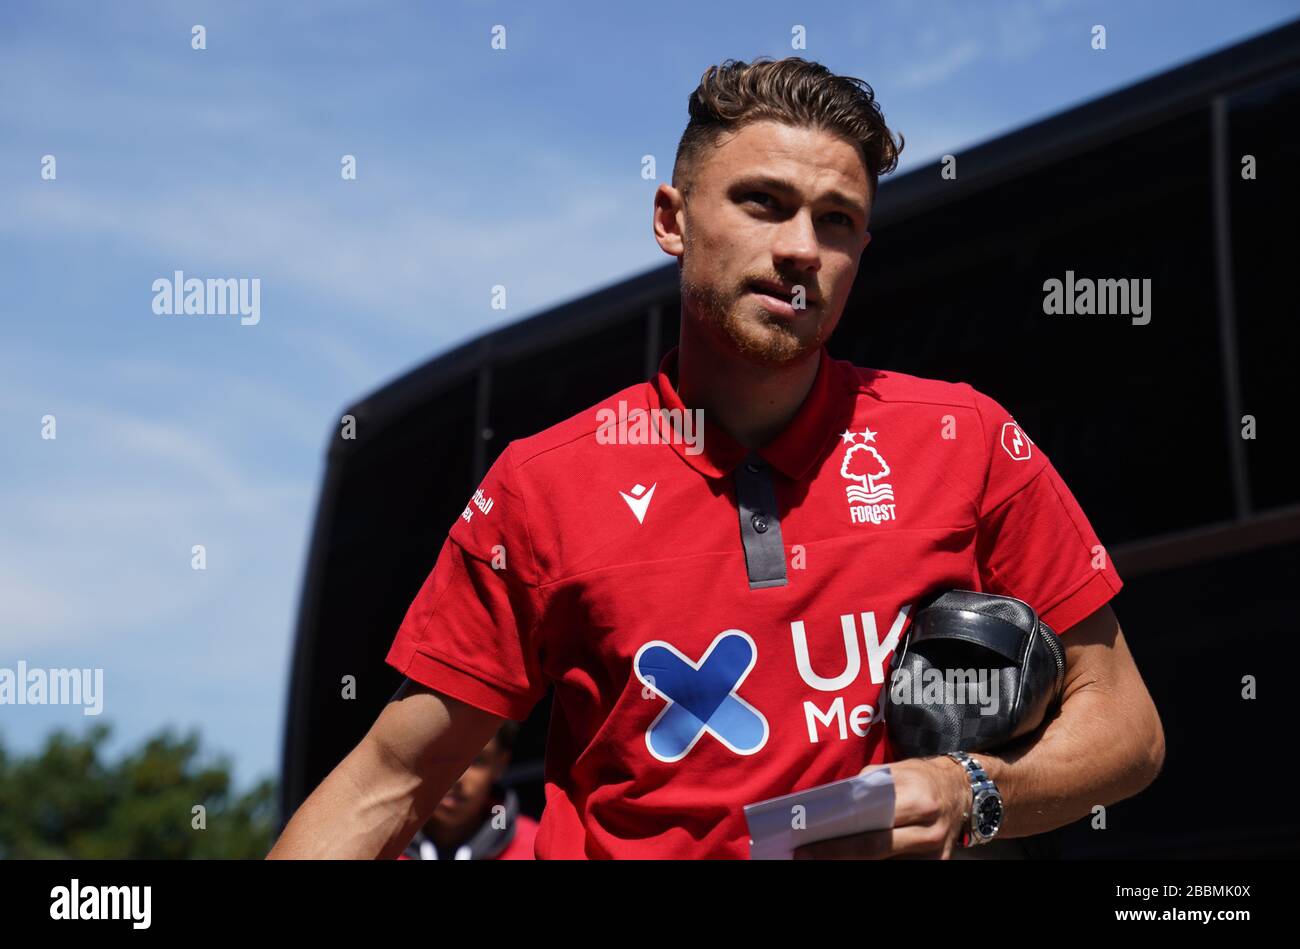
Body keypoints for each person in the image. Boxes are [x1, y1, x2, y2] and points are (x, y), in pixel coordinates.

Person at [269, 55, 1164, 861]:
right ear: (672, 220)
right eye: (763, 202)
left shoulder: (964, 438)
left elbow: (1128, 725)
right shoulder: (540, 487)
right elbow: (384, 785)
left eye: (838, 220)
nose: (800, 249)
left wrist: (969, 790)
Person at [397, 721, 537, 860]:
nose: (456, 778)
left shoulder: (537, 850)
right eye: (440, 756)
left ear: (501, 764)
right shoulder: (378, 843)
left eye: (476, 761)